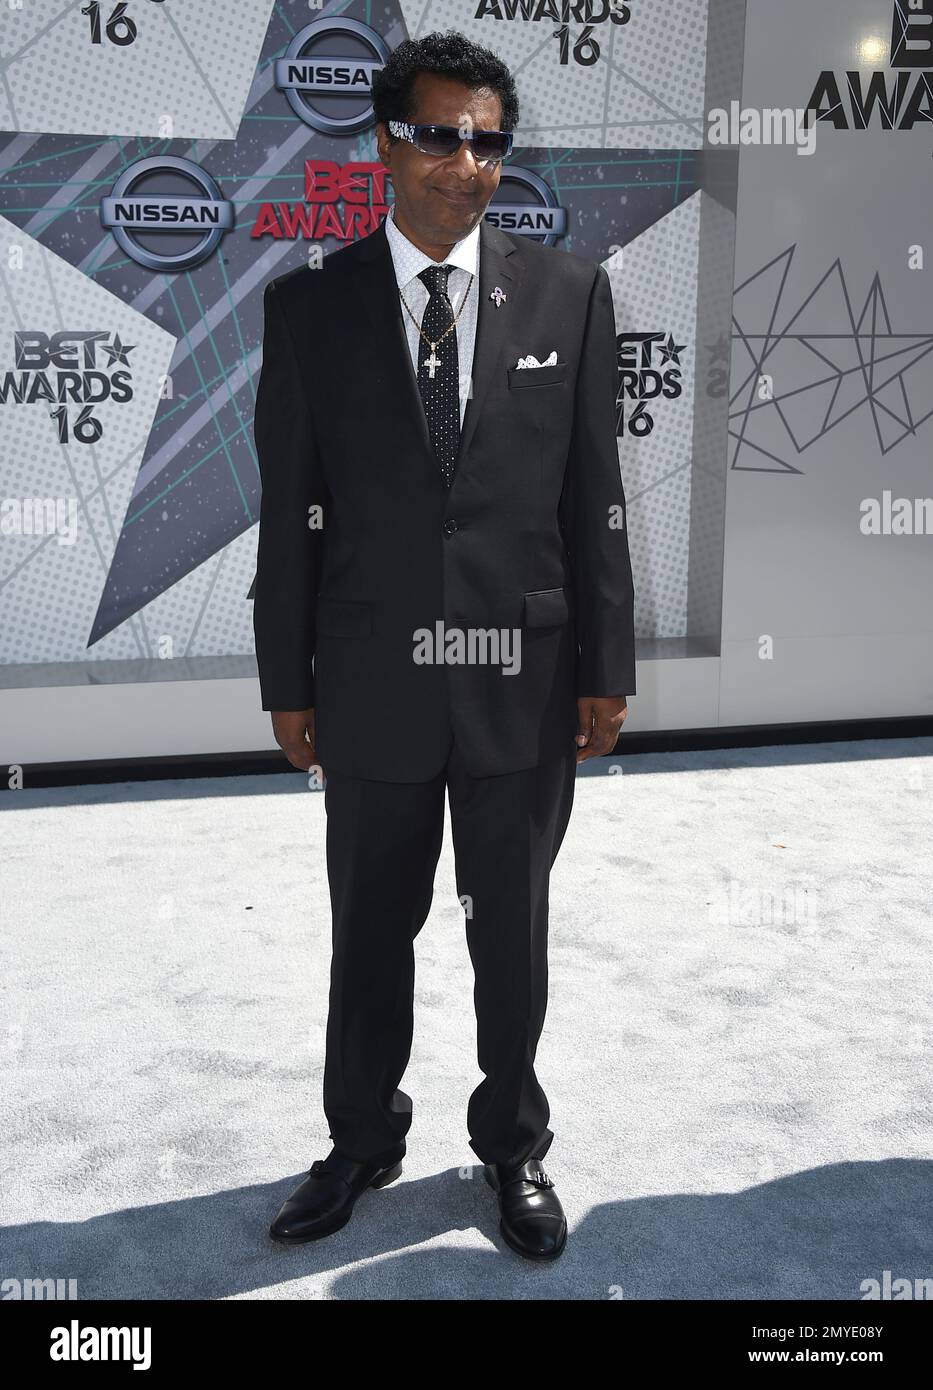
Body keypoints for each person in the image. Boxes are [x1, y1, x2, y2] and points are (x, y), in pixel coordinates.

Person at [252, 30, 635, 1262]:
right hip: (369, 685)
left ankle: (512, 1143)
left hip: (524, 687)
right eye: (439, 135)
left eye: (486, 140)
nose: (464, 163)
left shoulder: (571, 295)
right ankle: (361, 1137)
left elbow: (596, 499)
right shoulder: (307, 311)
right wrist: (286, 679)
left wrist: (606, 666)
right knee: (370, 927)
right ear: (386, 144)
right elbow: (289, 507)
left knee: (509, 929)